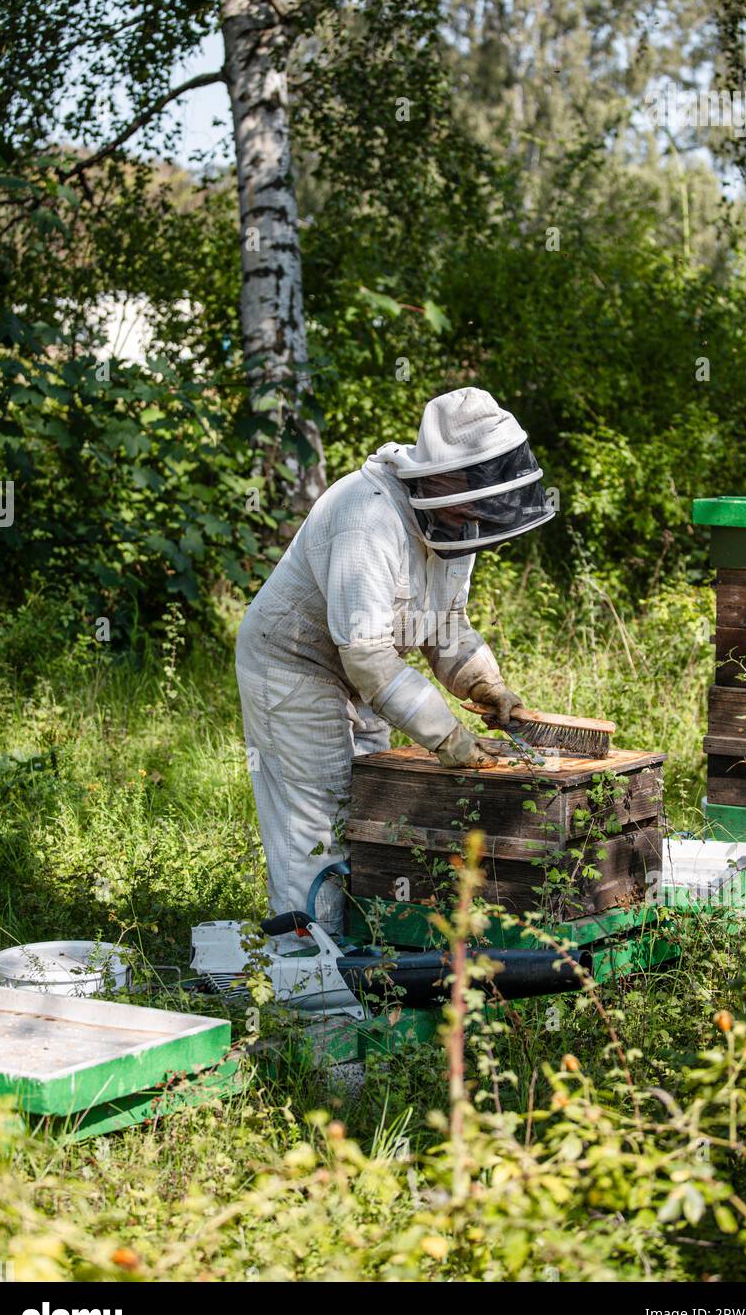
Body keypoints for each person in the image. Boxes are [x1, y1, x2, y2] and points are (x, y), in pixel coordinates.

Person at [236, 387, 556, 929]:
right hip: (294, 663)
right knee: (318, 812)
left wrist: (486, 685)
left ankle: (365, 959)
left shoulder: (459, 522)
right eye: (477, 487)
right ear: (446, 476)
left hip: (363, 675)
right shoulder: (367, 517)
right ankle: (305, 974)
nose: (486, 505)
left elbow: (444, 625)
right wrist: (447, 737)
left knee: (369, 804)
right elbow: (365, 653)